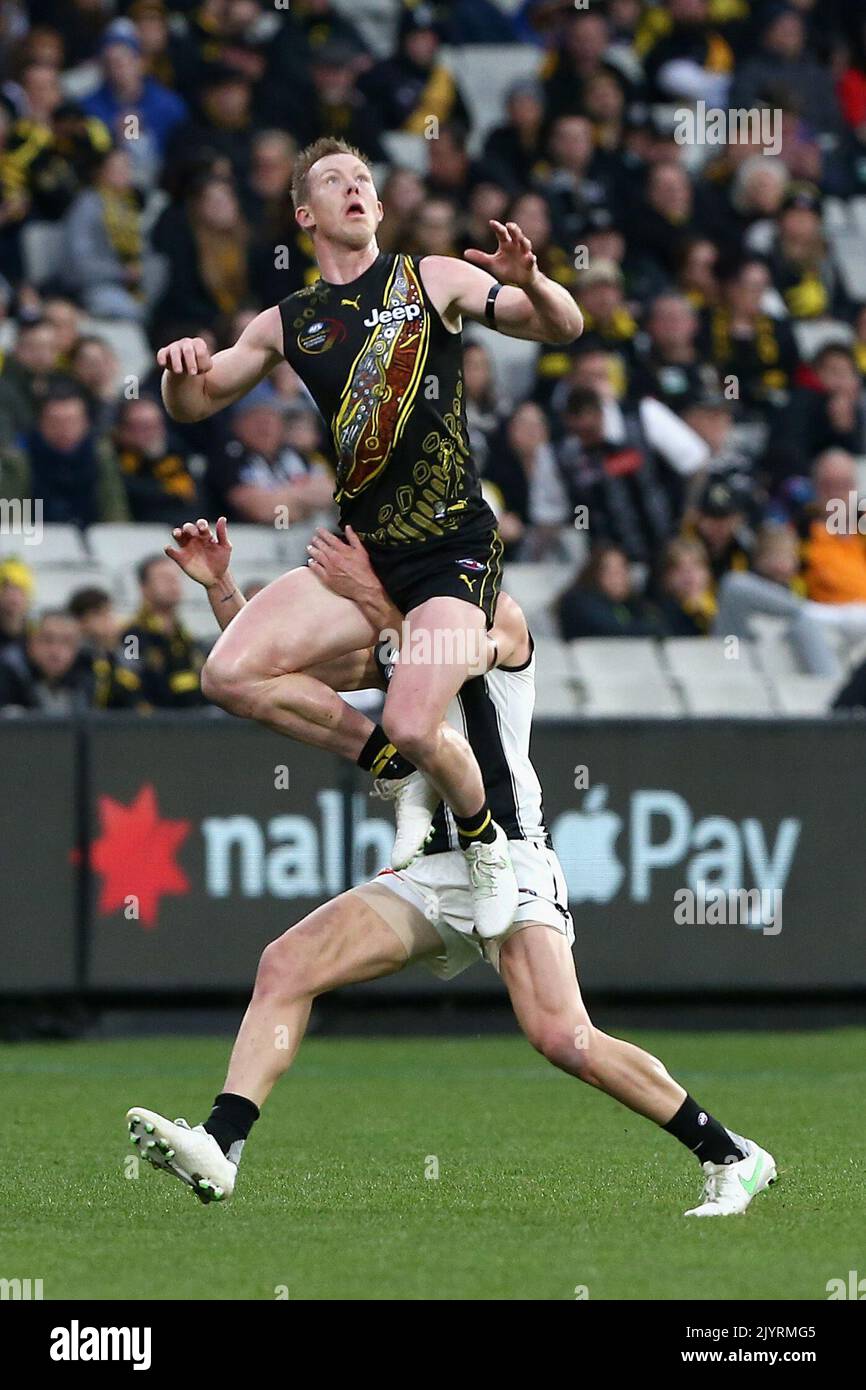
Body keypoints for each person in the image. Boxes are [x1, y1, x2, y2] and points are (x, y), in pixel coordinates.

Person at [126, 515, 776, 1220]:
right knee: (287, 964)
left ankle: (732, 1155)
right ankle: (222, 1145)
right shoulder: (399, 628)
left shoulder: (499, 613)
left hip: (508, 850)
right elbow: (271, 672)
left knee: (565, 1038)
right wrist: (223, 587)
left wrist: (371, 600)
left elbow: (458, 657)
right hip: (432, 866)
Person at [155, 135, 583, 939]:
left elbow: (561, 326)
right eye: (332, 181)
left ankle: (487, 845)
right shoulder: (290, 321)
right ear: (305, 214)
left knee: (418, 723)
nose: (353, 188)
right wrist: (180, 373)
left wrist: (535, 281)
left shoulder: (433, 278)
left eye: (363, 179)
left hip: (453, 549)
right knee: (230, 674)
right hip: (365, 550)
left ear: (380, 207)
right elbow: (197, 401)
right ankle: (392, 772)